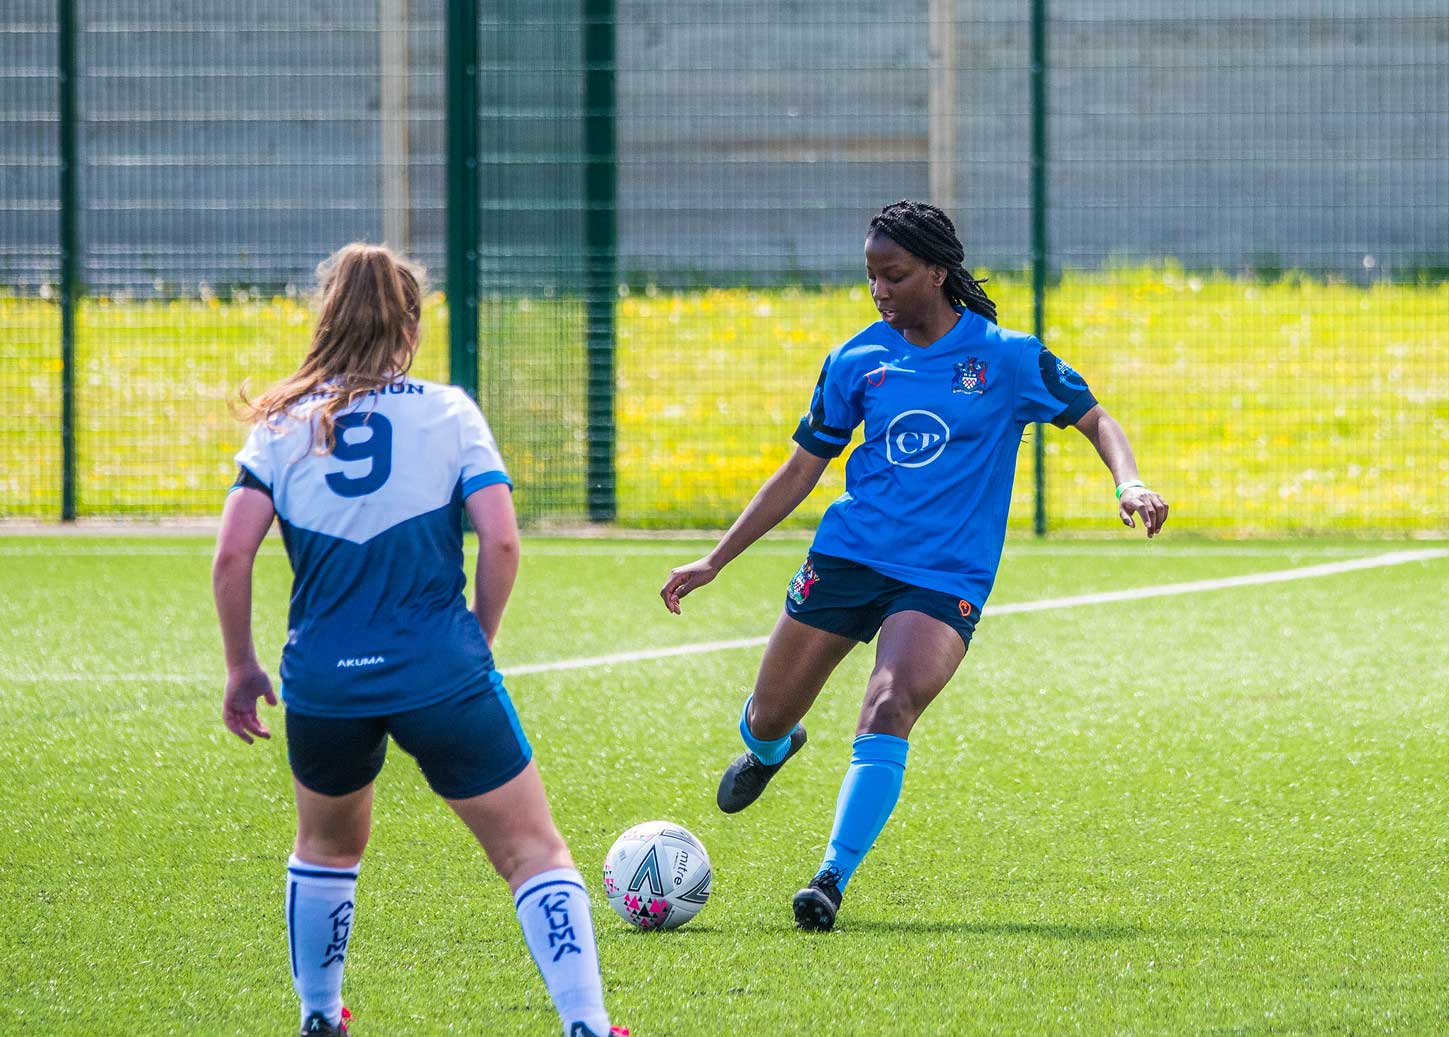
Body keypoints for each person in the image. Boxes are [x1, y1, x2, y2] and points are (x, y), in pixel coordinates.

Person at [659, 200, 1169, 932]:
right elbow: (801, 470)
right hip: (848, 556)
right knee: (769, 716)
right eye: (871, 276)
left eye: (893, 275)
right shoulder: (856, 360)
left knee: (889, 704)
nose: (879, 290)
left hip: (944, 577)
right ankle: (769, 748)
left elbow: (1095, 417)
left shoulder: (1007, 358)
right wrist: (716, 558)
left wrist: (1129, 483)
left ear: (936, 271)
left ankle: (830, 877)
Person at [212, 244, 626, 1037]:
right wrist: (478, 640)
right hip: (441, 670)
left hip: (324, 679)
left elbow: (232, 554)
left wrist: (241, 664)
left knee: (325, 848)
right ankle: (587, 1023)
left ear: (327, 317)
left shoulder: (281, 422)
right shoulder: (448, 411)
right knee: (533, 852)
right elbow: (501, 539)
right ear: (409, 325)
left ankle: (319, 1015)